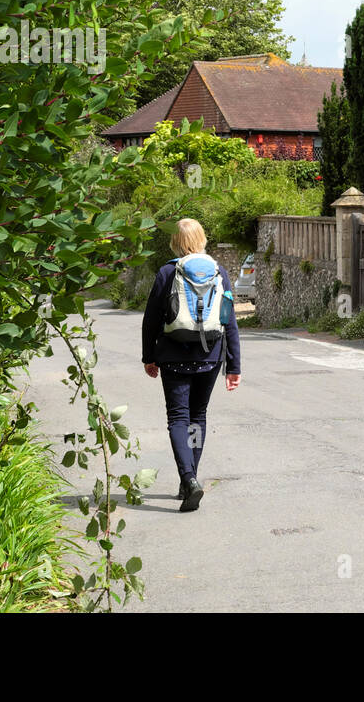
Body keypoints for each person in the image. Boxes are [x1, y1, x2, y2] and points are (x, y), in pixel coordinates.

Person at [141, 219, 242, 513]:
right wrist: (233, 366)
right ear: (202, 239)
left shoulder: (167, 272)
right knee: (197, 416)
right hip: (210, 356)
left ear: (175, 242)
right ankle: (190, 479)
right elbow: (229, 321)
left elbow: (151, 319)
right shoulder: (219, 272)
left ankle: (189, 479)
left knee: (178, 418)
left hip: (173, 356)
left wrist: (149, 357)